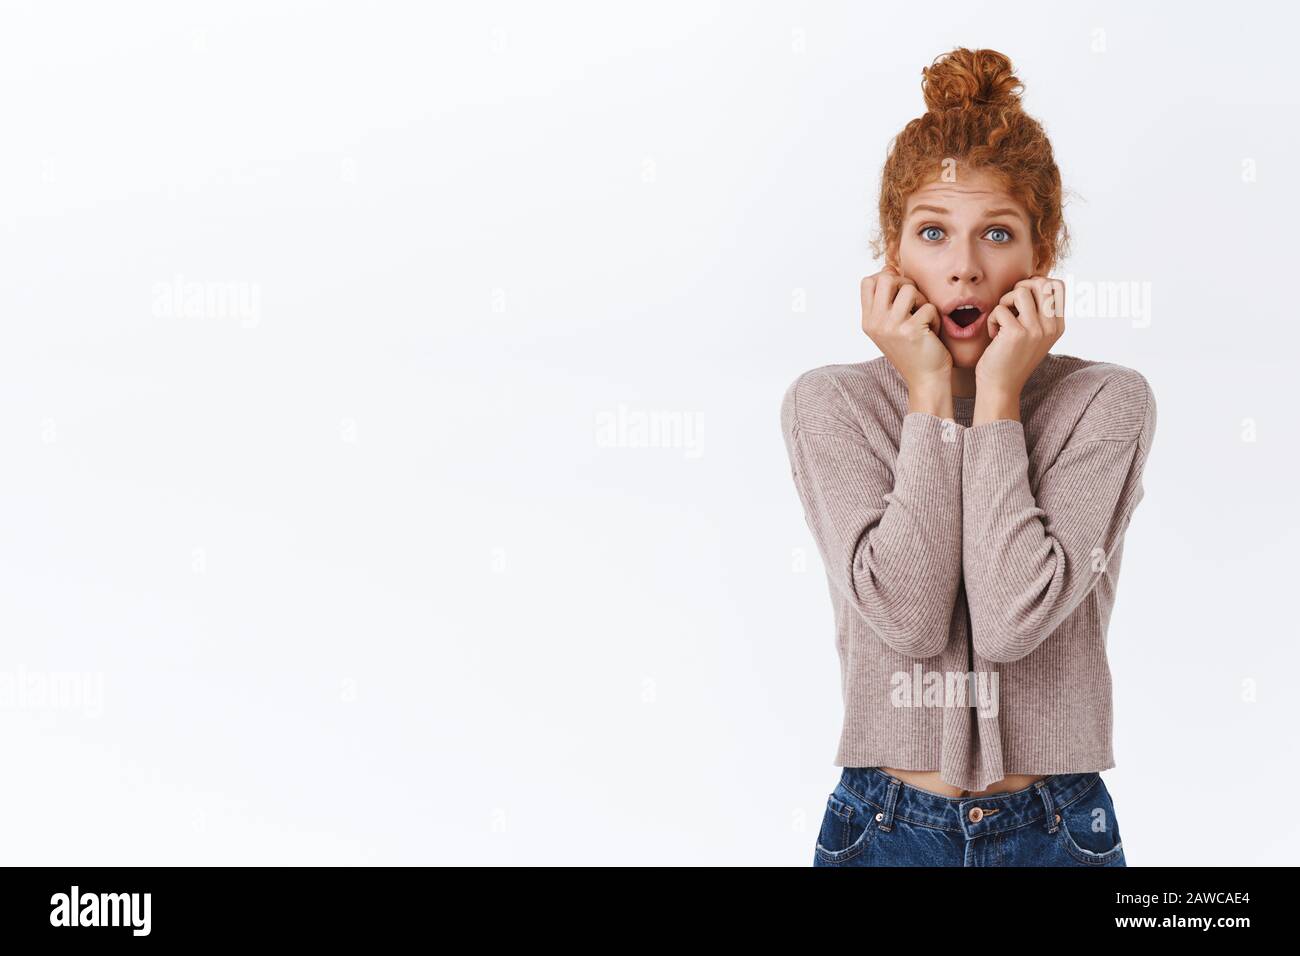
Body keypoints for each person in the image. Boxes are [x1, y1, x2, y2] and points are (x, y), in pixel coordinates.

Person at [780, 47, 1155, 866]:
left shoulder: (1106, 402)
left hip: (1057, 827)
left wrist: (997, 400)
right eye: (932, 232)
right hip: (883, 826)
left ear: (1040, 254)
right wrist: (925, 395)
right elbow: (909, 618)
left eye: (997, 233)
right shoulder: (830, 405)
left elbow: (1012, 617)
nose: (964, 266)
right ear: (894, 250)